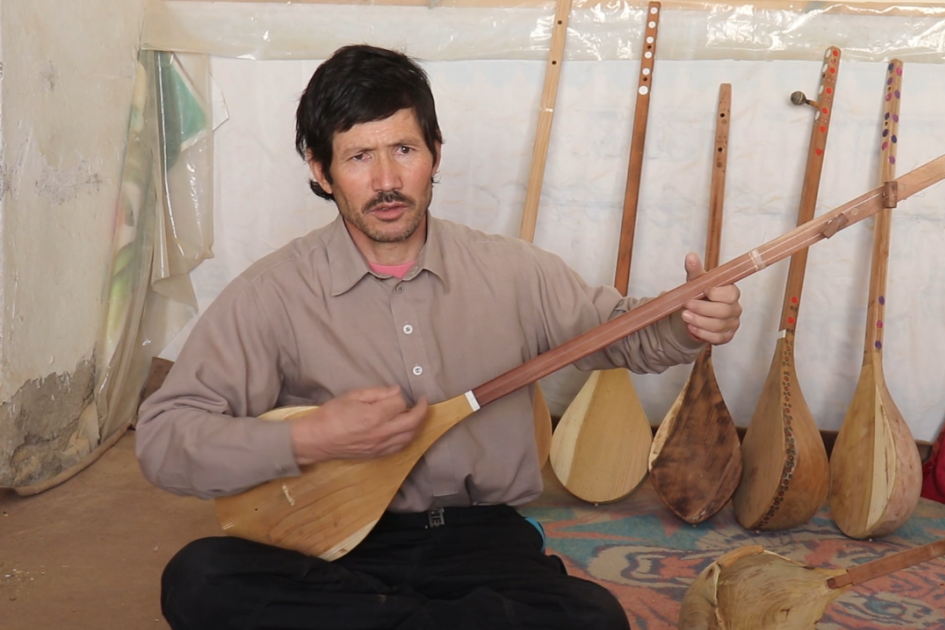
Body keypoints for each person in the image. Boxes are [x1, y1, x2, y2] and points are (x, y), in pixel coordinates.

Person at [136, 44, 743, 630]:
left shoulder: (512, 270)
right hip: (332, 545)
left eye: (404, 148)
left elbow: (624, 336)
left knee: (593, 619)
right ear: (321, 172)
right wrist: (311, 436)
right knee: (199, 580)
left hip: (480, 540)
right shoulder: (273, 293)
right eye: (358, 158)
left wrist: (688, 320)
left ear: (436, 152)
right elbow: (165, 440)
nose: (387, 180)